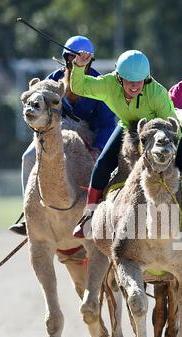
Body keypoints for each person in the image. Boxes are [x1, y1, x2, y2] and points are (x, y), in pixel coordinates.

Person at [70, 49, 182, 238]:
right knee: (102, 164)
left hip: (161, 131)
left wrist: (167, 146)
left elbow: (173, 126)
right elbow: (79, 87)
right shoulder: (108, 84)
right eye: (129, 80)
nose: (135, 86)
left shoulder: (157, 94)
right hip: (128, 126)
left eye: (139, 81)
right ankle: (89, 217)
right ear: (118, 78)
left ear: (146, 78)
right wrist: (78, 67)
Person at [9, 35, 116, 236]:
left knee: (110, 166)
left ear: (91, 60)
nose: (80, 62)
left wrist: (98, 148)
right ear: (66, 58)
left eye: (85, 59)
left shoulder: (100, 84)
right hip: (56, 135)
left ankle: (106, 215)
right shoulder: (51, 81)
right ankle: (28, 214)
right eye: (75, 58)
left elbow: (108, 123)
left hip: (89, 139)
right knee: (28, 157)